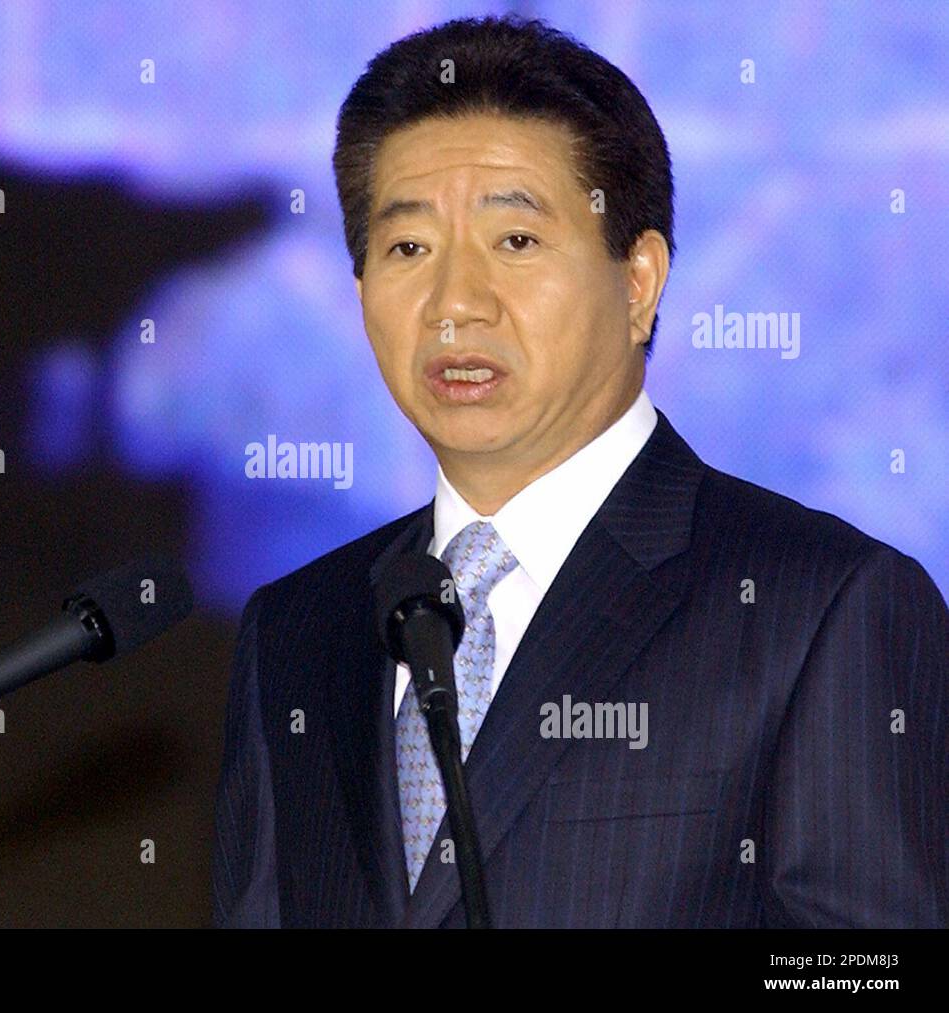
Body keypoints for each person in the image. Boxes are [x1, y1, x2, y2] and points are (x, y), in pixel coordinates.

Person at [211, 14, 947, 928]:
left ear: (638, 281)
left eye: (515, 241)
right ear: (359, 288)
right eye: (408, 248)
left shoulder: (823, 606)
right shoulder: (298, 627)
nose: (454, 304)